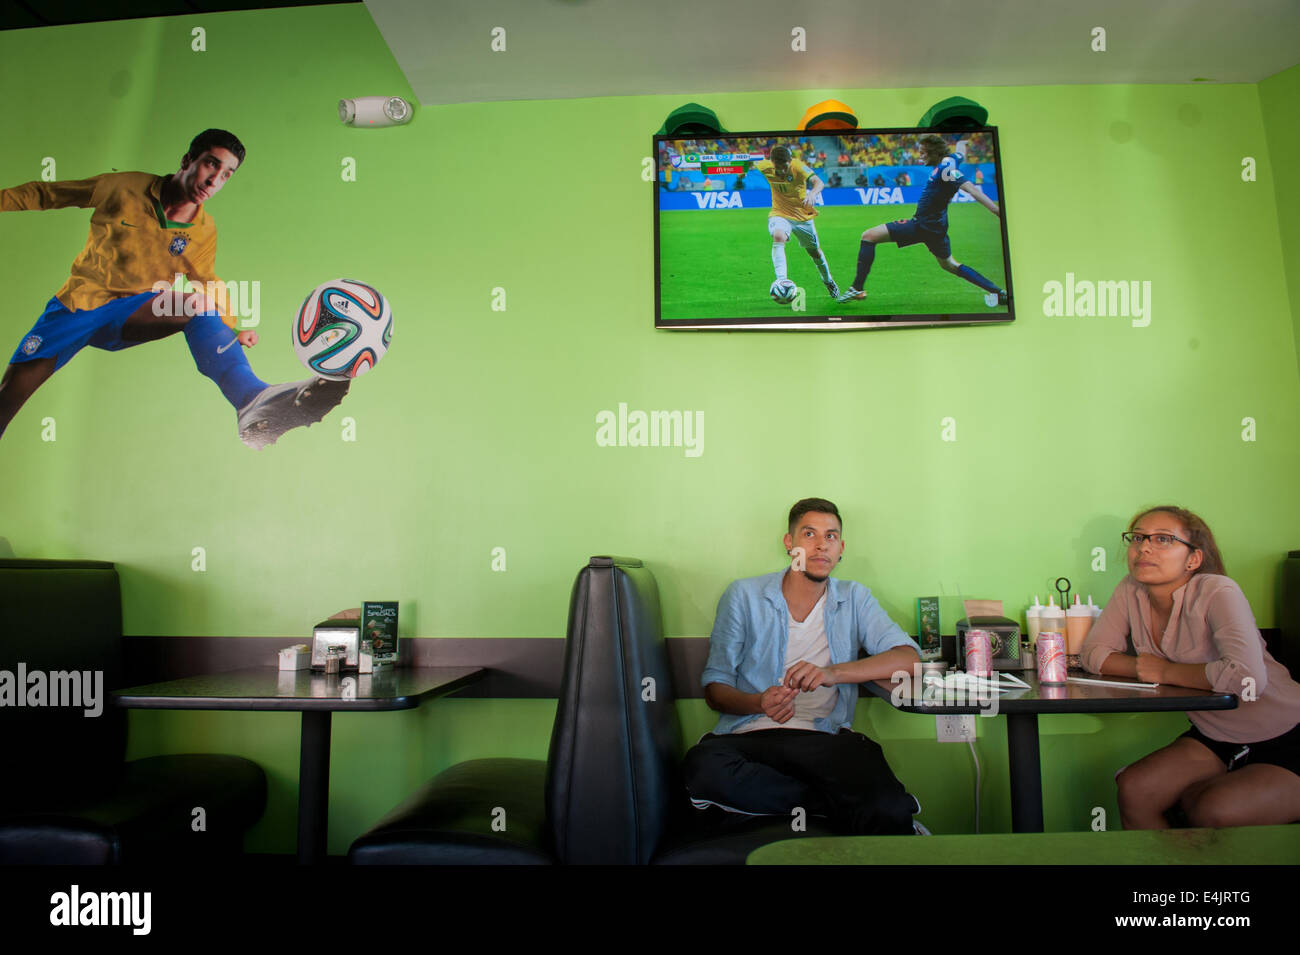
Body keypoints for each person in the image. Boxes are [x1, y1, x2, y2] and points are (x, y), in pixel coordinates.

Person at [0, 129, 347, 449]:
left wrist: (232, 325)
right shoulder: (122, 187)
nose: (214, 179)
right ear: (187, 161)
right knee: (7, 400)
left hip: (136, 310)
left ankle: (251, 400)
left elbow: (207, 280)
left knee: (198, 304)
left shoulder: (203, 230)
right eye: (211, 164)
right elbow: (46, 194)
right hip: (78, 306)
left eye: (226, 174)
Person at [681, 498, 922, 834]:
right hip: (752, 737)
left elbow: (910, 660)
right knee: (703, 767)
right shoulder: (744, 595)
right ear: (789, 543)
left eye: (831, 536)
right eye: (809, 534)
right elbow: (715, 689)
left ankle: (861, 804)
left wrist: (832, 673)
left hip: (824, 739)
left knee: (876, 789)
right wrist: (758, 702)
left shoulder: (855, 598)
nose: (821, 545)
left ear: (841, 549)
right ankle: (840, 805)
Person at [1081, 505, 1300, 828]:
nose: (1144, 547)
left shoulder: (1218, 591)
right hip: (1215, 735)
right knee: (1135, 788)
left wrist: (1165, 672)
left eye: (1163, 539)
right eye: (1137, 537)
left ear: (1193, 559)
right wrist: (1145, 669)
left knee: (1213, 808)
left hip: (1288, 734)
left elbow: (1247, 678)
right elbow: (1093, 654)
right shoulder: (1130, 589)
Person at [836, 134, 1007, 306]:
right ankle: (998, 292)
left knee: (868, 236)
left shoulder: (945, 170)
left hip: (923, 225)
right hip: (937, 227)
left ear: (934, 152)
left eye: (923, 152)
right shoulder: (950, 162)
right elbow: (960, 153)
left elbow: (971, 189)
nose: (920, 156)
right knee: (949, 265)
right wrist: (963, 142)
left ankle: (857, 288)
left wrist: (996, 210)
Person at [750, 145, 840, 299]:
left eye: (784, 167)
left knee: (814, 252)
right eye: (778, 167)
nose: (781, 171)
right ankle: (782, 280)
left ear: (790, 161)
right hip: (780, 213)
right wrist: (738, 172)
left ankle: (828, 281)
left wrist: (812, 193)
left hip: (802, 217)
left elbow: (819, 183)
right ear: (772, 162)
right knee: (778, 237)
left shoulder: (798, 166)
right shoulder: (765, 165)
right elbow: (747, 163)